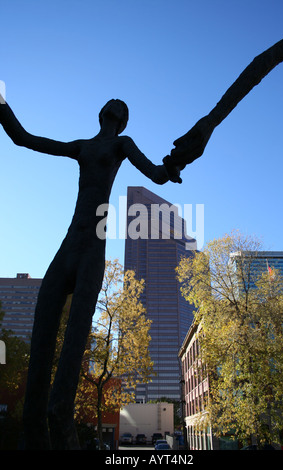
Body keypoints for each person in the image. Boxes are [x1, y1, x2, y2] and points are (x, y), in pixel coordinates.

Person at [0, 96, 181, 449]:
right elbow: (22, 138)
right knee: (40, 342)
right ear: (102, 113)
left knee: (69, 363)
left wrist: (174, 162)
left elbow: (156, 173)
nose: (115, 103)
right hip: (68, 246)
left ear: (121, 120)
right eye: (112, 102)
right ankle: (33, 429)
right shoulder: (82, 146)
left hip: (91, 255)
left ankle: (61, 419)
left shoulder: (121, 145)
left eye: (122, 106)